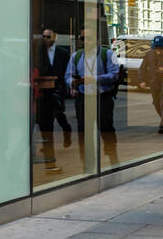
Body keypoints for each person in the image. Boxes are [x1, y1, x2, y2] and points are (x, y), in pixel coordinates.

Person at [65, 30, 121, 166]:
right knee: (83, 131)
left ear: (96, 39)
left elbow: (115, 75)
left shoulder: (108, 54)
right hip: (83, 98)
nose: (85, 41)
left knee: (106, 128)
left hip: (102, 97)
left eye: (88, 38)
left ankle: (113, 157)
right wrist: (72, 83)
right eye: (82, 38)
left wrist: (94, 79)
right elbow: (68, 75)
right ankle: (86, 162)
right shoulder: (76, 56)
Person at [34, 27, 72, 172]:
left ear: (54, 37)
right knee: (48, 119)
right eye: (43, 37)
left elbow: (66, 70)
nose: (46, 40)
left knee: (58, 113)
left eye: (48, 37)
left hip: (56, 89)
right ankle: (47, 151)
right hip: (43, 94)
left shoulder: (62, 53)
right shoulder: (38, 53)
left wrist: (64, 86)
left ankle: (66, 129)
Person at [142, 34, 163, 133]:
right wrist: (142, 80)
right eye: (156, 48)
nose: (158, 50)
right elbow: (142, 68)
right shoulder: (149, 55)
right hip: (154, 83)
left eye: (160, 48)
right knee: (156, 103)